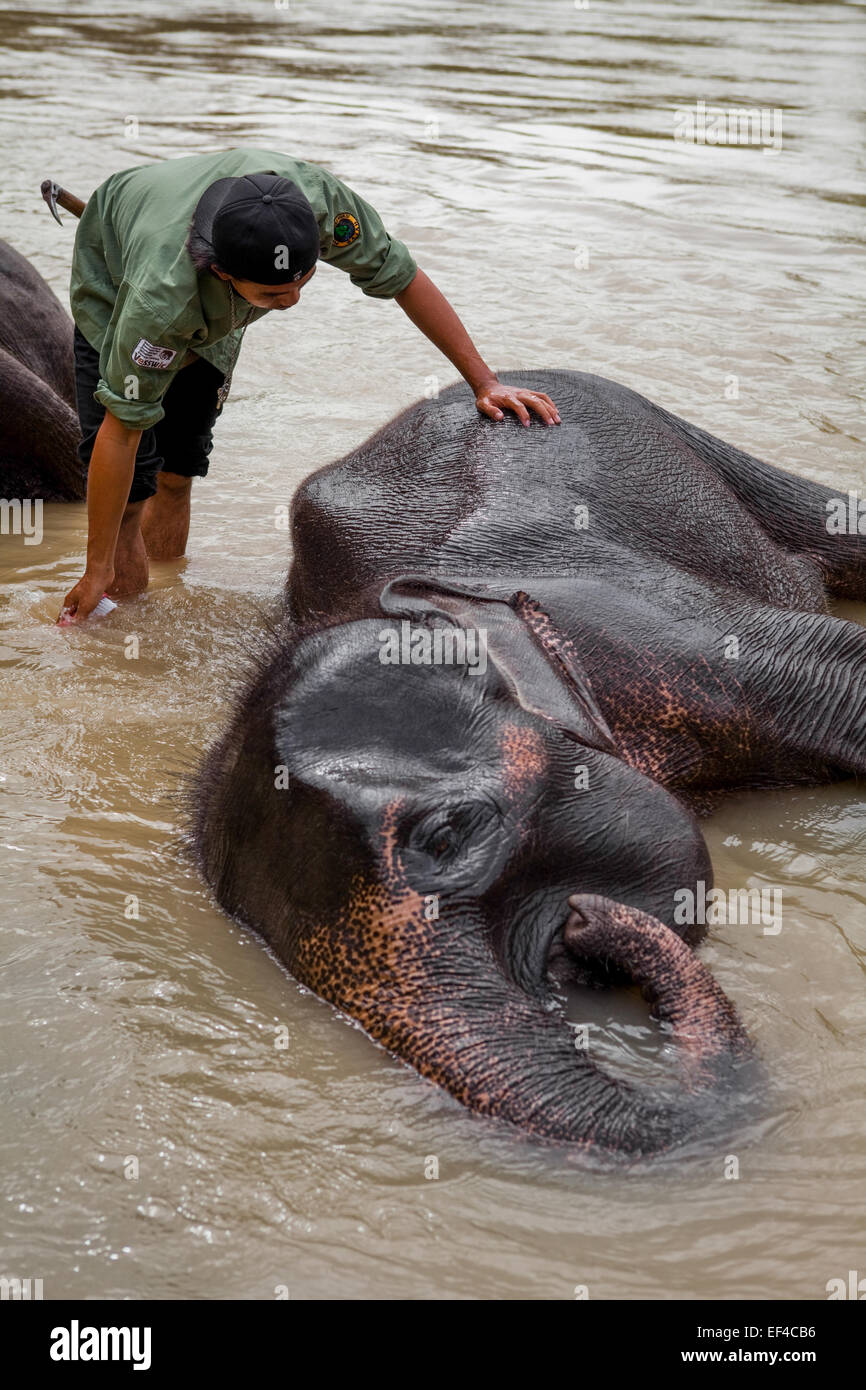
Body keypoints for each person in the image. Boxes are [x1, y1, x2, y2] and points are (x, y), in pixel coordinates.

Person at [62, 148, 561, 621]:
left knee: (177, 472)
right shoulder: (161, 303)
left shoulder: (321, 207)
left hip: (208, 272)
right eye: (274, 294)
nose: (293, 301)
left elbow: (402, 277)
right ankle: (122, 627)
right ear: (222, 273)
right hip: (118, 275)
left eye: (304, 281)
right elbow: (121, 431)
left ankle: (166, 585)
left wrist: (484, 381)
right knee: (132, 494)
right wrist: (94, 568)